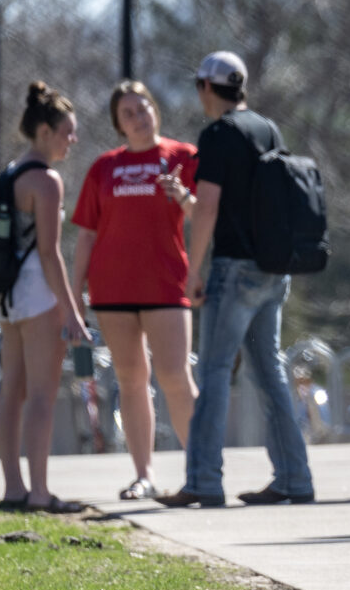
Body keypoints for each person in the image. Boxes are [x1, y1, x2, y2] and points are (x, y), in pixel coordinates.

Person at [160, 51, 314, 508]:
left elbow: (209, 211)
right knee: (270, 374)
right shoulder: (266, 129)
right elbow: (228, 209)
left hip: (234, 270)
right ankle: (295, 477)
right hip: (272, 270)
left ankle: (204, 480)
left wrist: (193, 271)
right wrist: (185, 198)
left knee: (212, 373)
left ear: (207, 88)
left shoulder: (218, 135)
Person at [68, 81, 199, 501]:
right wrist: (74, 296)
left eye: (144, 108)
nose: (139, 118)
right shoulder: (104, 167)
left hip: (166, 284)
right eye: (129, 113)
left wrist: (183, 196)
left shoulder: (183, 157)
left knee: (176, 376)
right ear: (118, 125)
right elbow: (86, 236)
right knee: (131, 379)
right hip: (112, 288)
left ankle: (201, 470)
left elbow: (205, 211)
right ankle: (144, 474)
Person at [0, 81, 85, 512]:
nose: (73, 140)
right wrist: (70, 310)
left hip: (7, 296)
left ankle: (14, 487)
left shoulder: (9, 173)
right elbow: (50, 254)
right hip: (38, 294)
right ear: (44, 132)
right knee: (42, 395)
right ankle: (41, 492)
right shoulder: (46, 183)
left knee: (10, 391)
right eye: (67, 131)